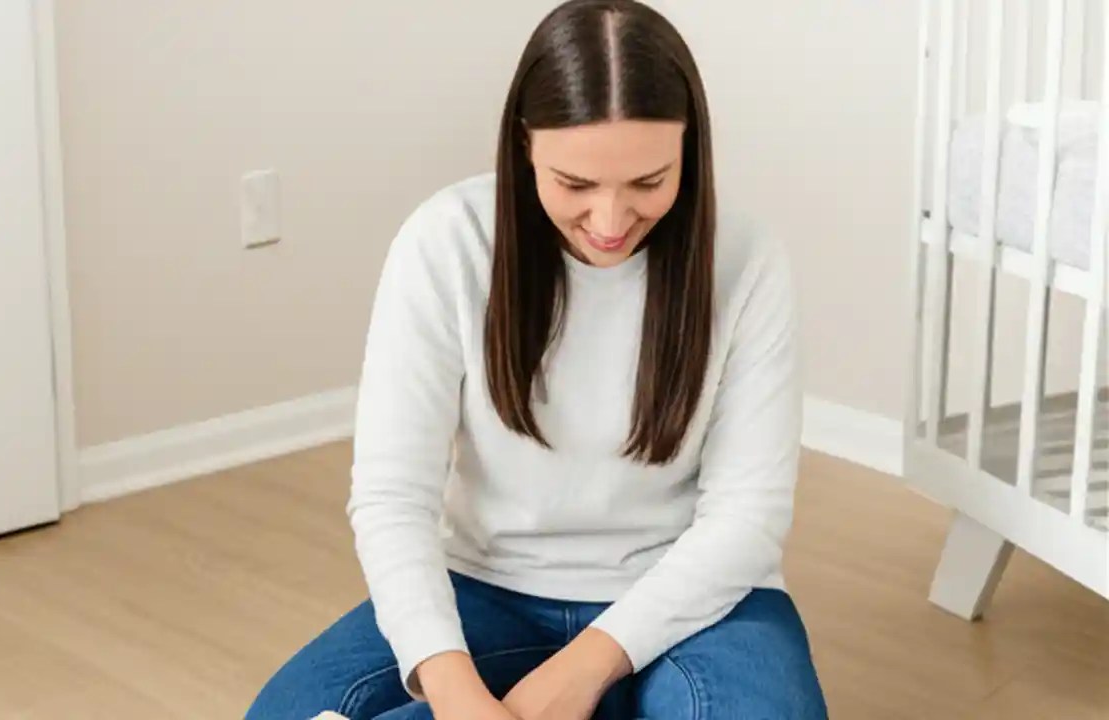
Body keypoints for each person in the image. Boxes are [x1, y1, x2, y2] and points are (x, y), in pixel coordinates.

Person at [246, 1, 828, 718]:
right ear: (524, 147)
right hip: (485, 586)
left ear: (690, 151)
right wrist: (457, 697)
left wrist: (579, 675)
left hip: (692, 597)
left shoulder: (748, 260)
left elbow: (747, 518)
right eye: (576, 185)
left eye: (648, 182)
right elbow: (393, 497)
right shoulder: (447, 243)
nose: (610, 223)